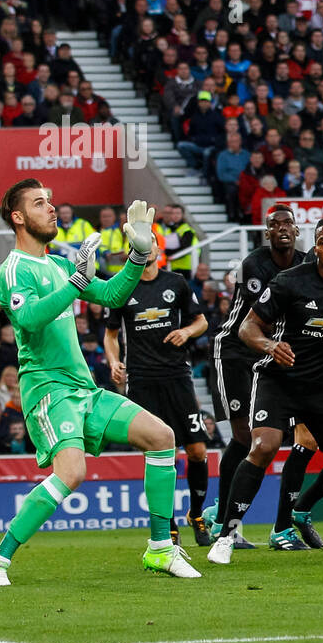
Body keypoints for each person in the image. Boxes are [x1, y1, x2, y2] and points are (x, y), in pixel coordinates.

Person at [0, 181, 199, 585]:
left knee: (162, 436)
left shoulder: (59, 265)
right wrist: (76, 283)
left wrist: (139, 254)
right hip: (48, 390)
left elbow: (114, 295)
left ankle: (161, 548)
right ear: (18, 217)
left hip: (84, 389)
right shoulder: (13, 269)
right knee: (72, 472)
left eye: (51, 200)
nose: (51, 208)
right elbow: (28, 320)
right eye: (40, 203)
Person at [207, 216, 323, 563]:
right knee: (263, 446)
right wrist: (269, 346)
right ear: (315, 247)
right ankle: (226, 536)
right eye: (322, 242)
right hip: (279, 380)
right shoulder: (289, 281)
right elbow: (248, 327)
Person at [104, 226, 212, 546]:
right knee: (159, 454)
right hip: (142, 380)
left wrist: (187, 332)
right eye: (137, 243)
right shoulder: (122, 288)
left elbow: (202, 320)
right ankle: (168, 524)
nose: (144, 247)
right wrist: (114, 361)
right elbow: (111, 334)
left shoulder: (175, 283)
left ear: (158, 247)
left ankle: (195, 513)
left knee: (197, 450)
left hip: (177, 376)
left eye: (149, 241)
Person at [204, 205, 304, 548]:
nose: (282, 229)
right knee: (245, 435)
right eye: (274, 224)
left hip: (272, 351)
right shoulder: (254, 264)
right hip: (235, 350)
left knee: (260, 438)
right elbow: (258, 316)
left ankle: (225, 516)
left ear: (296, 228)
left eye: (287, 223)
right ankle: (222, 517)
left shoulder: (306, 263)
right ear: (267, 233)